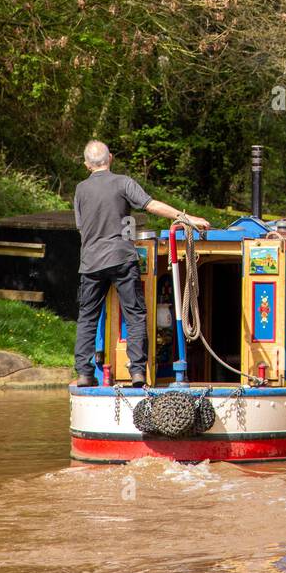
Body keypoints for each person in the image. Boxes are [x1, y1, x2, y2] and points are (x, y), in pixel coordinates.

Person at [73, 139, 210, 387]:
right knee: (134, 314)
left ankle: (84, 373)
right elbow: (151, 205)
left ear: (86, 165)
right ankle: (137, 372)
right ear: (110, 158)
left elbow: (82, 228)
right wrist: (186, 218)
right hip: (122, 258)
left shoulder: (81, 190)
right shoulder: (123, 182)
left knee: (87, 317)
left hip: (91, 262)